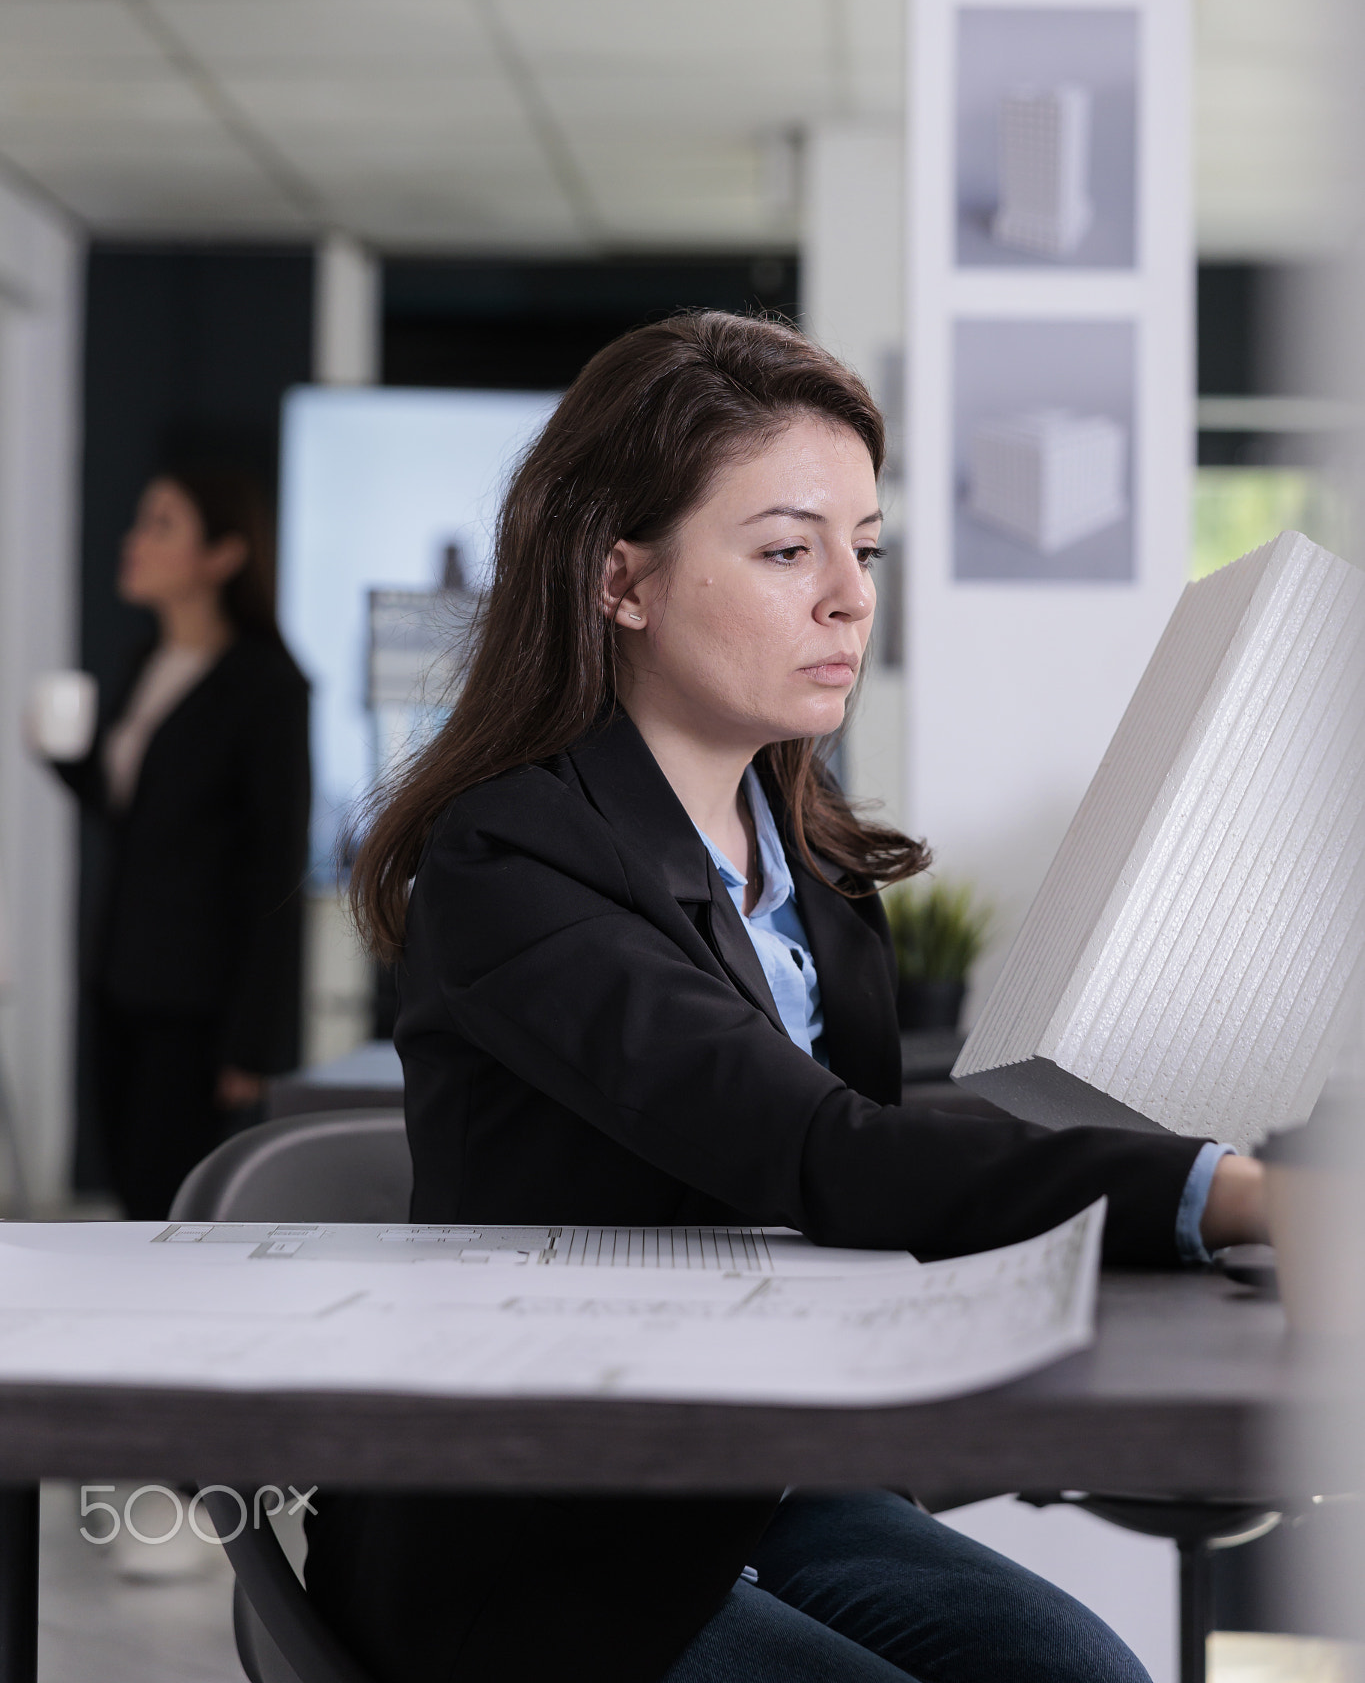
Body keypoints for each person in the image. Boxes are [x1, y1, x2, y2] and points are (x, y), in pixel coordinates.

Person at [309, 313, 1267, 1683]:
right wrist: (1235, 1193)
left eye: (863, 549)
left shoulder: (813, 862)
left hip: (762, 1469)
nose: (849, 598)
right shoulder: (508, 856)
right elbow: (825, 1151)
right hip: (544, 1524)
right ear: (622, 579)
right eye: (784, 550)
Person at [48, 468, 310, 1219]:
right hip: (120, 976)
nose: (134, 541)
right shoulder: (145, 664)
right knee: (127, 1195)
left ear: (222, 555)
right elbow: (142, 818)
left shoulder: (267, 686)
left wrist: (253, 1043)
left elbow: (275, 867)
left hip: (200, 1000)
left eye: (161, 525)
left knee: (168, 1204)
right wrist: (64, 760)